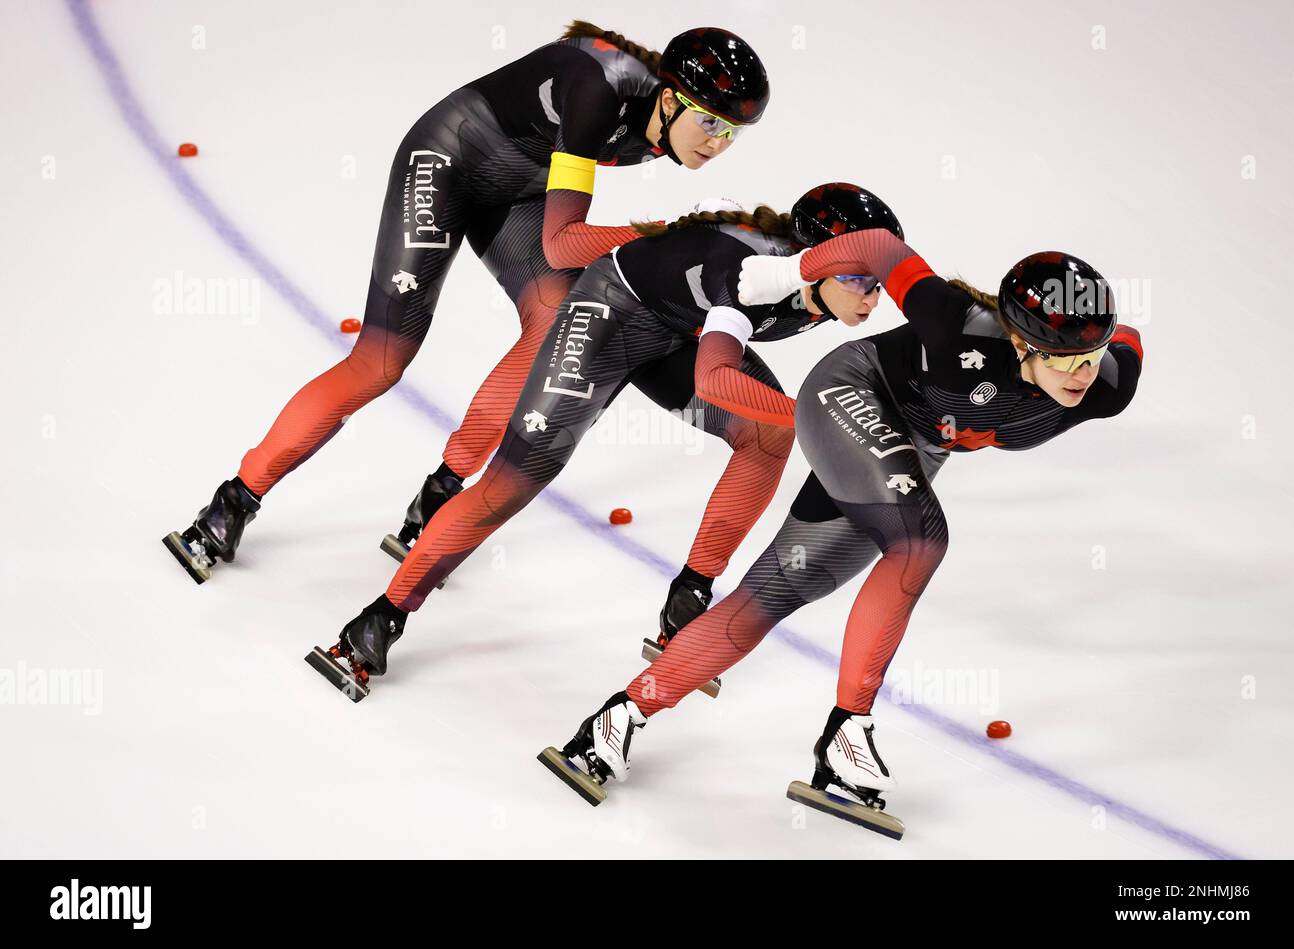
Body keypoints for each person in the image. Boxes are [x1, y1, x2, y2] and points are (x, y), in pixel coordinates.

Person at [542, 238, 1144, 838]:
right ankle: (846, 733)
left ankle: (615, 719)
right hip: (850, 393)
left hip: (912, 443)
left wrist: (1095, 342)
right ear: (1019, 340)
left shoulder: (1109, 386)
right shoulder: (954, 323)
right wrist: (785, 273)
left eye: (1091, 355)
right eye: (1065, 360)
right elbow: (881, 247)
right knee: (920, 542)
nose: (1083, 375)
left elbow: (1130, 345)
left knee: (781, 587)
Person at [162, 21, 768, 589]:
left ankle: (442, 491)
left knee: (556, 325)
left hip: (518, 191)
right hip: (446, 162)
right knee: (381, 361)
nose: (718, 144)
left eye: (732, 133)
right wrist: (655, 238)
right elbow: (561, 242)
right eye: (709, 123)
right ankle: (234, 500)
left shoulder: (663, 124)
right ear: (667, 100)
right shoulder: (599, 94)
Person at [304, 184, 906, 701]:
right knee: (515, 481)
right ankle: (378, 619)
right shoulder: (756, 274)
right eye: (860, 281)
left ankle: (689, 597)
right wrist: (812, 414)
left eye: (877, 285)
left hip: (675, 330)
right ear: (817, 262)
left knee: (767, 433)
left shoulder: (816, 290)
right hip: (606, 320)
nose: (871, 300)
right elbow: (714, 380)